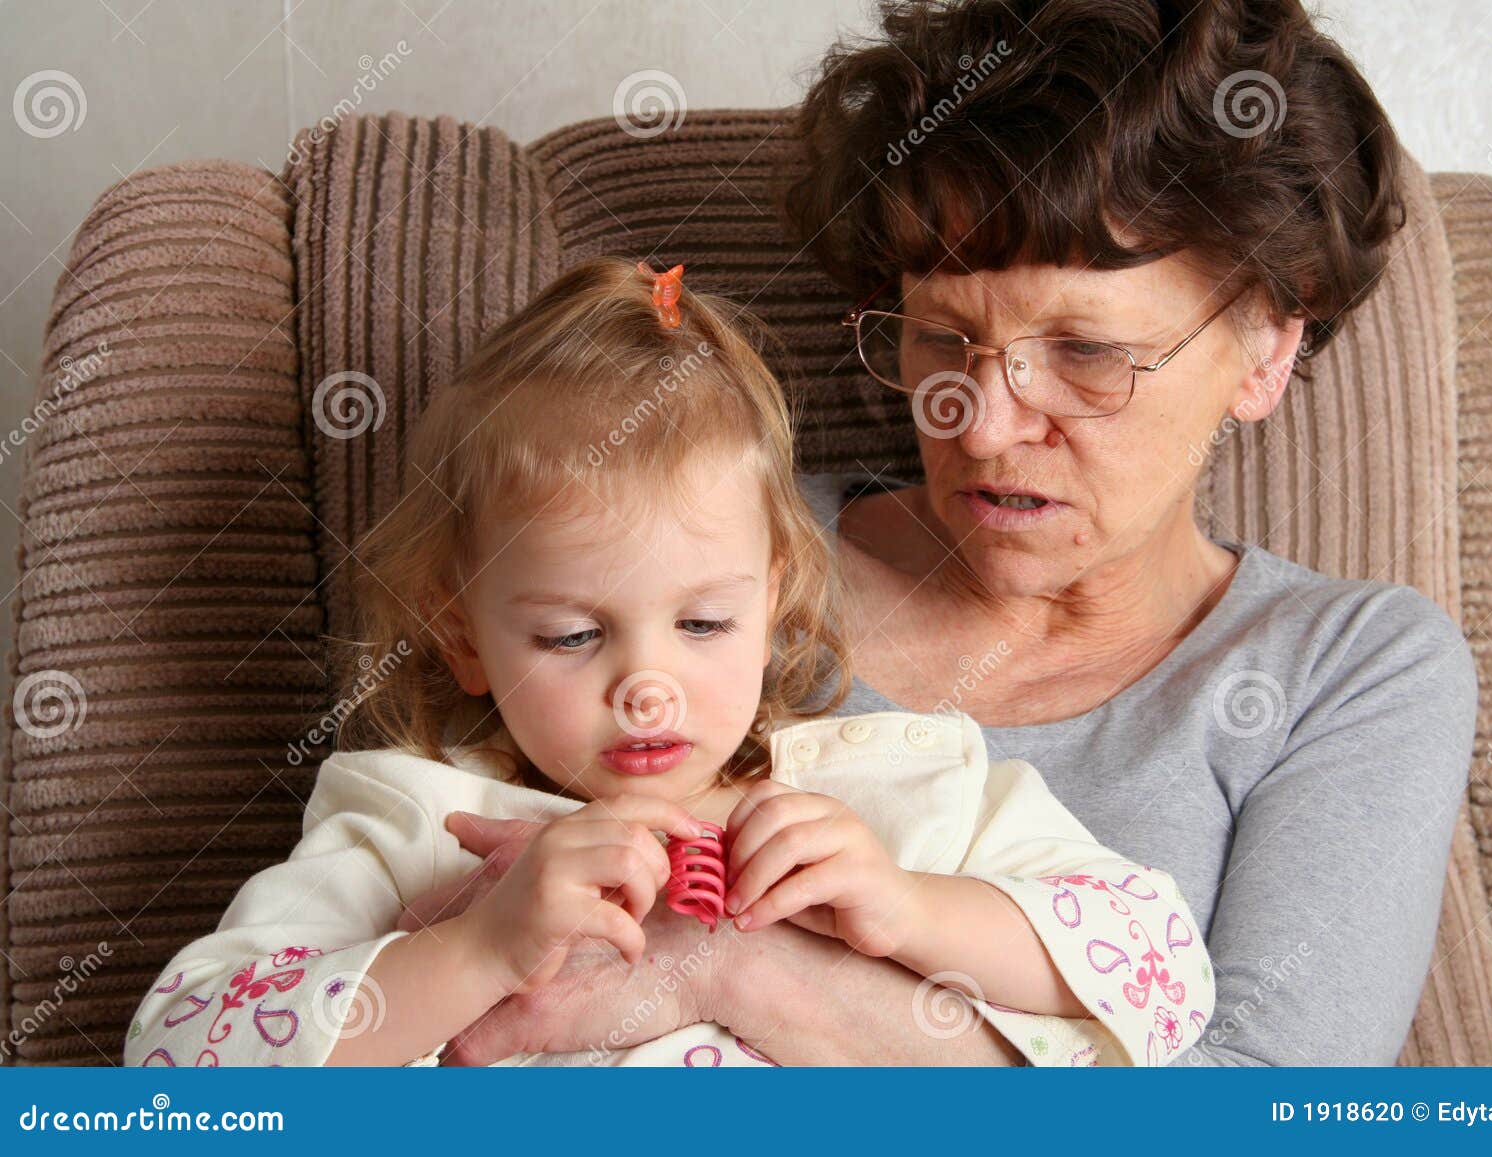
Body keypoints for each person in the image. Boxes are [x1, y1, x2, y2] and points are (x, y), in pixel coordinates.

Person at [404, 0, 1479, 1067]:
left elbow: (1265, 1116)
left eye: (1087, 352)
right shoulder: (689, 561)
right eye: (941, 335)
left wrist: (735, 968)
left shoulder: (1347, 666)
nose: (983, 420)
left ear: (1265, 348)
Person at [121, 257, 1214, 1068]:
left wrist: (912, 907)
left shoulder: (898, 787)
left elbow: (1167, 978)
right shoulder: (410, 821)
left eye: (701, 625)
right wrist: (476, 953)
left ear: (779, 590)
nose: (647, 685)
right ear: (461, 630)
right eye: (571, 635)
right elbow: (173, 1069)